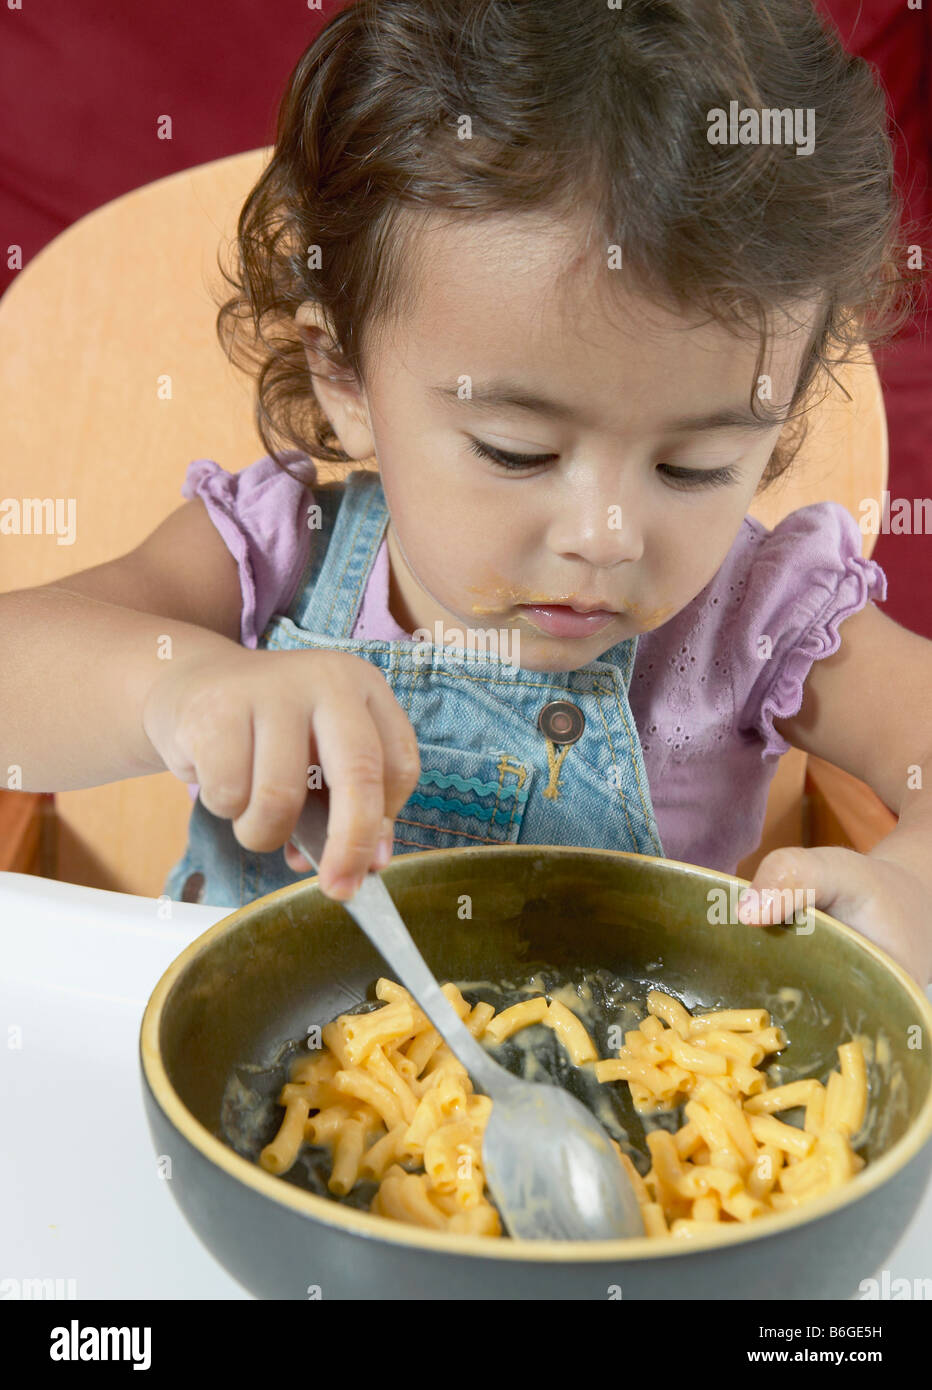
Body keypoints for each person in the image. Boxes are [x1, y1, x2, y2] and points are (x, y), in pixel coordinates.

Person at [4, 0, 930, 985]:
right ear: (345, 379)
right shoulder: (279, 549)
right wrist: (174, 689)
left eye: (690, 466)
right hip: (246, 1104)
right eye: (516, 451)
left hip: (624, 1126)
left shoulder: (753, 616)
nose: (601, 536)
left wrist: (914, 875)